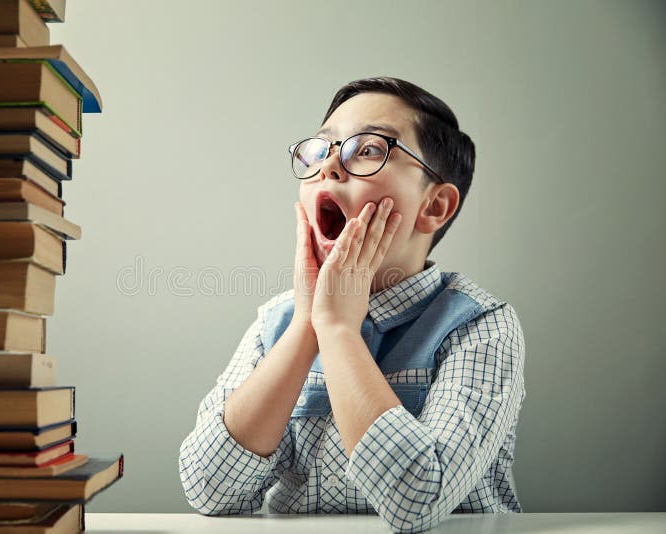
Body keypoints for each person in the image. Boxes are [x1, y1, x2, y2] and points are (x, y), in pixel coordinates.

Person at [178, 76, 525, 534]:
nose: (330, 168)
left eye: (367, 149)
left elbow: (418, 501)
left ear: (435, 206)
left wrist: (339, 330)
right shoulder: (275, 322)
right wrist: (307, 325)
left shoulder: (480, 325)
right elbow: (210, 491)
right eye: (321, 149)